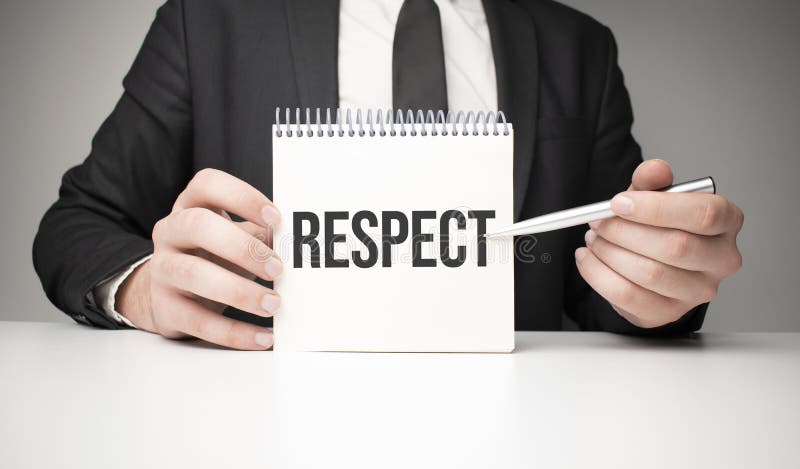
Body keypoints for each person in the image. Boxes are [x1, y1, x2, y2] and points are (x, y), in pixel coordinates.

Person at [33, 0, 743, 350]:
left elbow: (611, 271)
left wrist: (661, 283)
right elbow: (76, 224)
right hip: (261, 431)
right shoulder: (211, 19)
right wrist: (144, 287)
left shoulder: (577, 46)